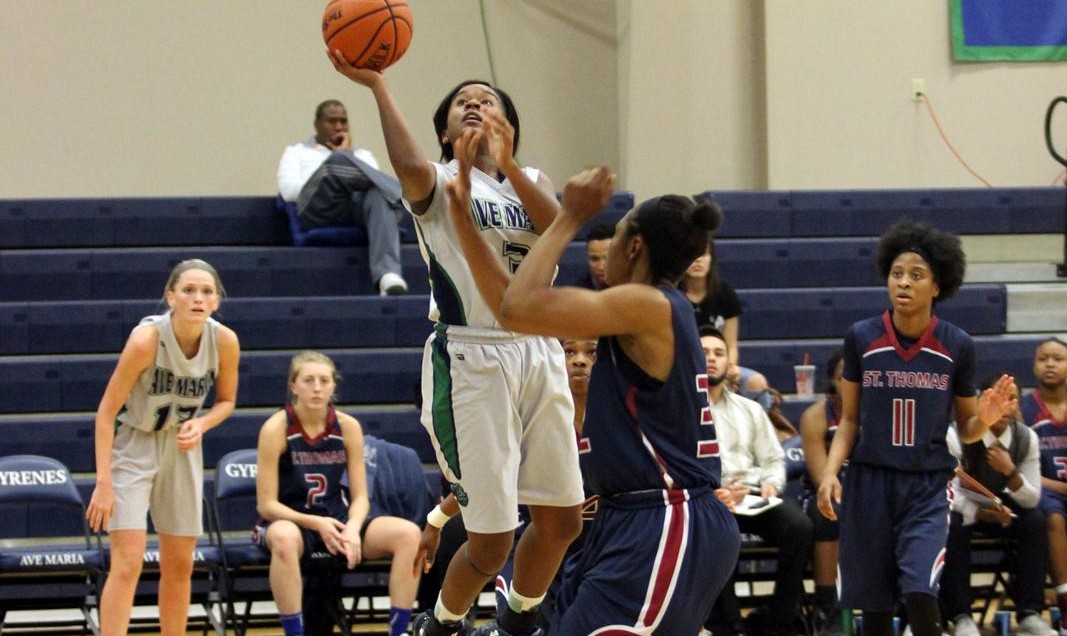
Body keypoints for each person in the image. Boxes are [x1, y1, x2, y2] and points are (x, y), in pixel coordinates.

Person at [328, 53, 585, 636]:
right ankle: (442, 624)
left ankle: (517, 620)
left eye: (487, 99)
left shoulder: (532, 180)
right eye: (461, 103)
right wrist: (377, 85)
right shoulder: (436, 182)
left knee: (563, 520)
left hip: (540, 351)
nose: (474, 102)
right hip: (471, 356)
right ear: (444, 131)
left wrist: (509, 160)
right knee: (491, 543)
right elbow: (406, 162)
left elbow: (560, 223)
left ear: (509, 124)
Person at [451, 154, 739, 634]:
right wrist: (463, 224)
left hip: (665, 519)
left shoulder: (647, 304)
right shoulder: (649, 309)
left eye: (619, 233)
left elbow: (520, 307)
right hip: (633, 518)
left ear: (635, 247)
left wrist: (570, 216)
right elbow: (511, 308)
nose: (605, 249)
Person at [816, 219, 1016, 636]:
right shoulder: (862, 337)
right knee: (873, 609)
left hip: (926, 485)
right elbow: (849, 419)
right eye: (897, 273)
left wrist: (988, 418)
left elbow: (967, 430)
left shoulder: (956, 344)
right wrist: (831, 472)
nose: (903, 283)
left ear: (937, 286)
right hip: (869, 481)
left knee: (921, 592)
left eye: (916, 275)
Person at [85, 259, 240, 636]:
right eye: (188, 290)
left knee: (180, 564)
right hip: (134, 443)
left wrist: (202, 423)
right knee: (127, 561)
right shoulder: (146, 340)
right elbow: (106, 412)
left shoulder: (224, 341)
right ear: (170, 297)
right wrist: (104, 482)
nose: (198, 298)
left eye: (206, 292)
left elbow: (227, 401)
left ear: (217, 301)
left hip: (182, 449)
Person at [254, 350, 421, 636]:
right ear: (293, 386)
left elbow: (360, 497)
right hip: (293, 522)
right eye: (308, 380)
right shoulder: (275, 428)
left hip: (338, 518)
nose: (317, 388)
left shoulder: (347, 426)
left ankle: (399, 630)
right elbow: (266, 505)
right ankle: (295, 632)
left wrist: (354, 528)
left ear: (334, 386)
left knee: (408, 534)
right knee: (282, 537)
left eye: (324, 380)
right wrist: (316, 523)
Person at [700, 325, 814, 636]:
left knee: (800, 527)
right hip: (712, 499)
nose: (711, 358)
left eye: (719, 353)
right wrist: (714, 493)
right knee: (713, 532)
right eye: (705, 352)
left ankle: (779, 622)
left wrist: (771, 485)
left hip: (753, 495)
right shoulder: (681, 409)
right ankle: (731, 626)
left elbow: (773, 459)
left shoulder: (750, 409)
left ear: (729, 364)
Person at [939, 373, 1049, 636]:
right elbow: (947, 490)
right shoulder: (955, 435)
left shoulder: (1026, 438)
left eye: (1011, 398)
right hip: (964, 507)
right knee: (950, 525)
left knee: (1035, 519)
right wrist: (980, 512)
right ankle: (962, 615)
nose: (1003, 405)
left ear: (1018, 404)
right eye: (995, 398)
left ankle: (1030, 613)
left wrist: (1010, 472)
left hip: (1005, 510)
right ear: (979, 403)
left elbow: (1032, 497)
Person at [277, 99, 409, 295]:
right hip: (316, 209)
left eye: (343, 121)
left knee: (377, 195)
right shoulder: (296, 152)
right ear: (317, 124)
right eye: (332, 121)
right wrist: (330, 172)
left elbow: (375, 186)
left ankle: (388, 276)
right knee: (336, 162)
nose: (339, 126)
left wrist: (348, 156)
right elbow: (289, 192)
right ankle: (405, 193)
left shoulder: (362, 154)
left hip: (352, 208)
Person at [679, 238, 772, 410]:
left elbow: (731, 344)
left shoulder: (724, 293)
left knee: (756, 382)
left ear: (711, 258)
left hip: (718, 363)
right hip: (684, 367)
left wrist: (729, 369)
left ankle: (760, 430)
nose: (698, 259)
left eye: (704, 254)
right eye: (692, 255)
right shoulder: (672, 295)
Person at [798, 348, 846, 636]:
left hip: (869, 491)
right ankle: (826, 608)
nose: (853, 382)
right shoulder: (816, 415)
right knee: (829, 512)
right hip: (826, 491)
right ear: (833, 380)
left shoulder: (877, 411)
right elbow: (820, 477)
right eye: (844, 376)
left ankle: (902, 605)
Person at [1034, 412, 1067, 636]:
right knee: (1054, 517)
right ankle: (1065, 604)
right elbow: (1022, 469)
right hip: (1045, 492)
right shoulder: (1028, 410)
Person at [1020, 337, 1067, 427]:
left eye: (1058, 359)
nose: (1050, 364)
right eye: (1042, 359)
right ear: (1034, 367)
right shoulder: (1022, 408)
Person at [572, 223, 614, 290]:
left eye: (608, 259)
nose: (601, 267)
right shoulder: (578, 293)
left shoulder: (635, 289)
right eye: (594, 259)